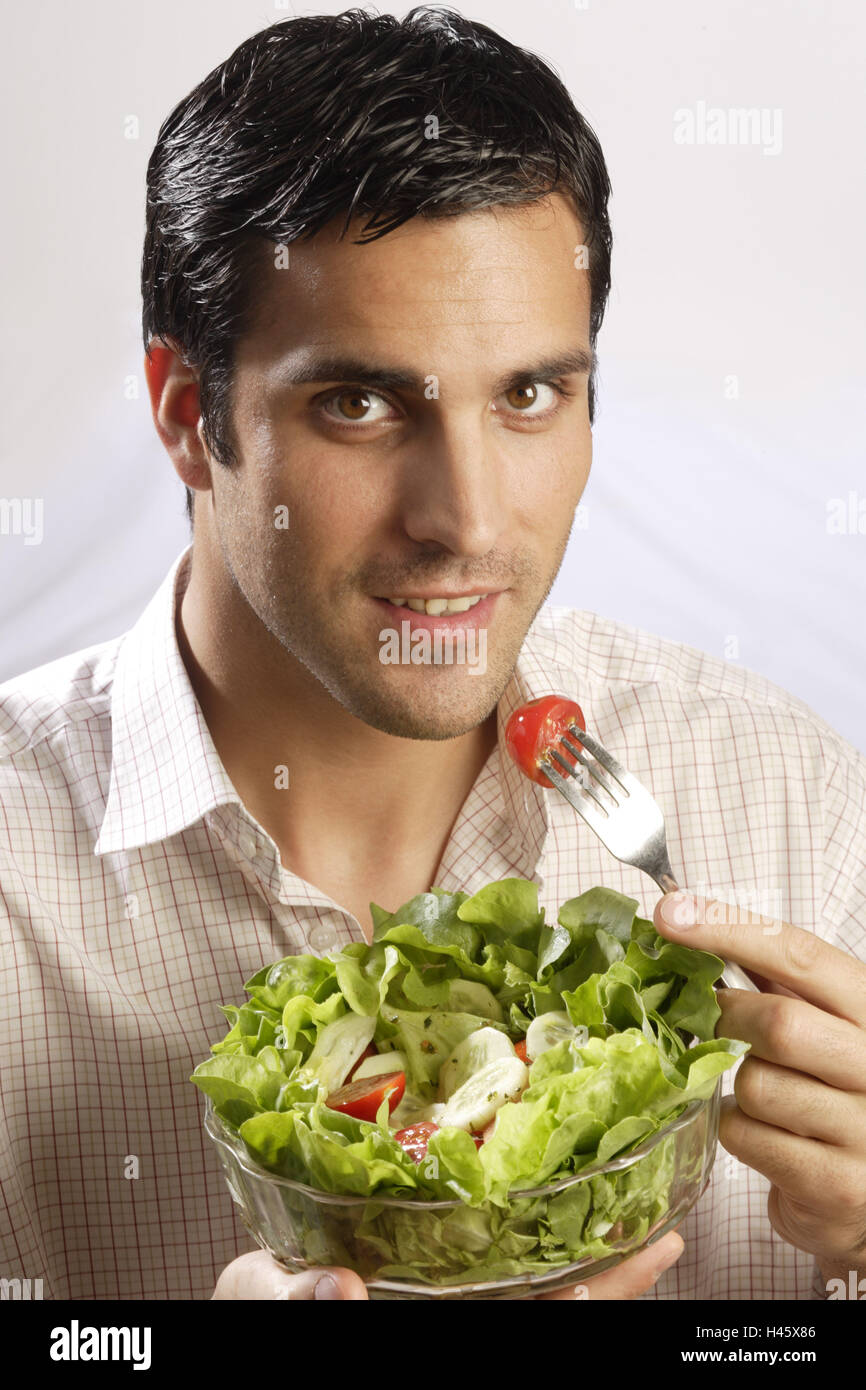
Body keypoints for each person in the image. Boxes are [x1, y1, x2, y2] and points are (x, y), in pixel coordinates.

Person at [1, 7, 864, 1303]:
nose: (464, 519)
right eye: (358, 402)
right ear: (190, 416)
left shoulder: (788, 800)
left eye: (526, 395)